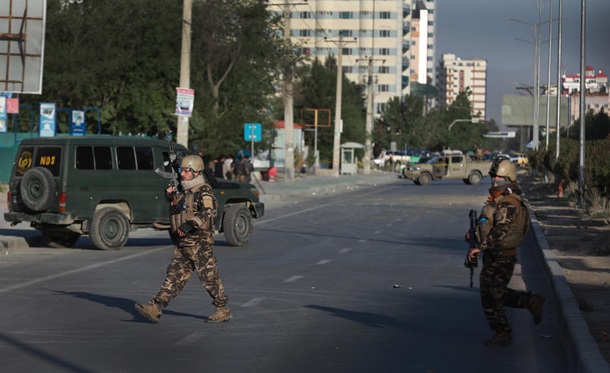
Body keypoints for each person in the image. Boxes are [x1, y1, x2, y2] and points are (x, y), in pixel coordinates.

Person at [135, 155, 231, 324]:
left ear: (197, 173)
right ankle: (156, 307)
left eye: (187, 171)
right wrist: (170, 197)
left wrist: (190, 225)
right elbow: (178, 211)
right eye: (182, 170)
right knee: (174, 275)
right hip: (183, 243)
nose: (183, 174)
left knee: (209, 278)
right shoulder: (184, 191)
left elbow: (207, 211)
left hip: (199, 244)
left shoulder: (203, 190)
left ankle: (222, 309)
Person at [466, 158, 544, 346]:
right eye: (494, 177)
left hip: (503, 255)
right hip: (494, 253)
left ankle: (505, 329)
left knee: (492, 294)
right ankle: (529, 302)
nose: (495, 181)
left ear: (508, 179)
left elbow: (501, 231)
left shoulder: (508, 203)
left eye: (499, 178)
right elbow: (489, 224)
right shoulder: (498, 200)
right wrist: (474, 233)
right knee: (492, 292)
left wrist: (480, 247)